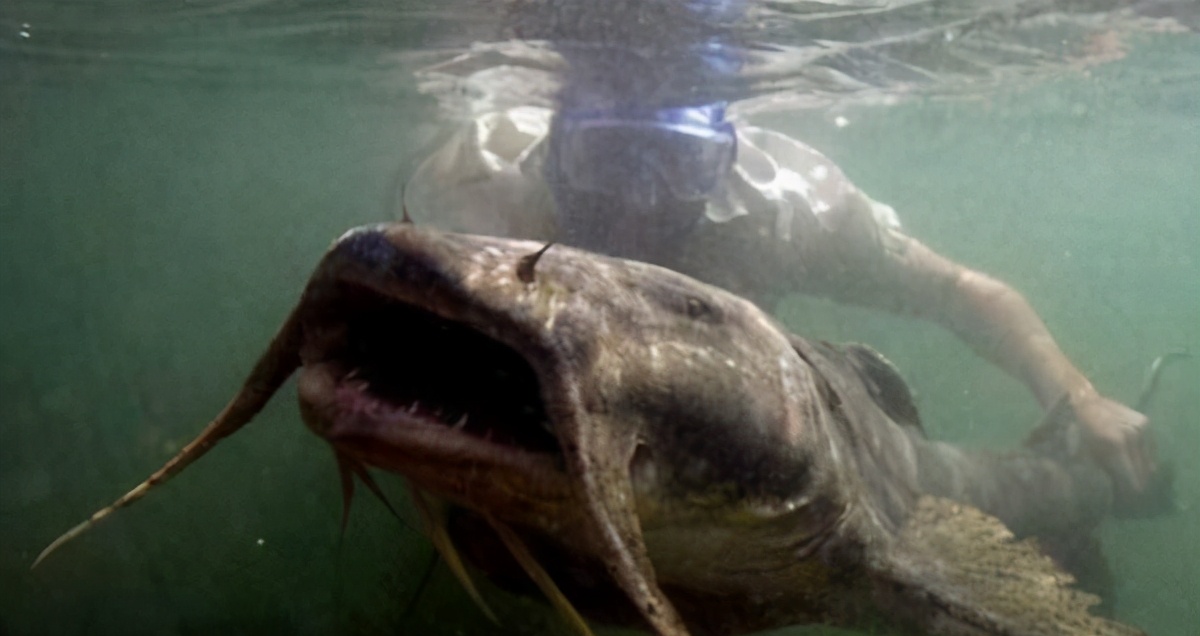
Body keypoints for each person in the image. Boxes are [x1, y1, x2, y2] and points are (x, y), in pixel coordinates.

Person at [404, 96, 1155, 502]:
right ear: (553, 150)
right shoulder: (475, 189)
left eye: (681, 164)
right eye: (608, 160)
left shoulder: (788, 204)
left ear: (726, 156)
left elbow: (960, 292)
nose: (642, 201)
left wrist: (1080, 399)